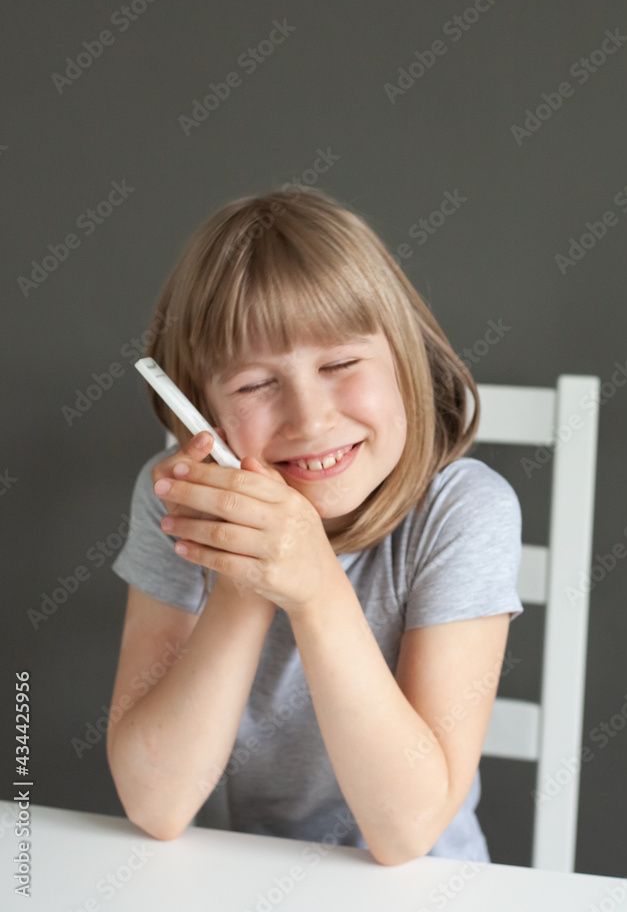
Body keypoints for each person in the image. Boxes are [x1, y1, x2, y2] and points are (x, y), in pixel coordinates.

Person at [106, 185, 523, 867]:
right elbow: (156, 801)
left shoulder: (465, 512)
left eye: (340, 364)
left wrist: (315, 587)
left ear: (405, 360)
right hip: (247, 877)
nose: (310, 417)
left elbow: (406, 832)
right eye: (253, 386)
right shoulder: (178, 499)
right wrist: (249, 577)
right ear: (200, 414)